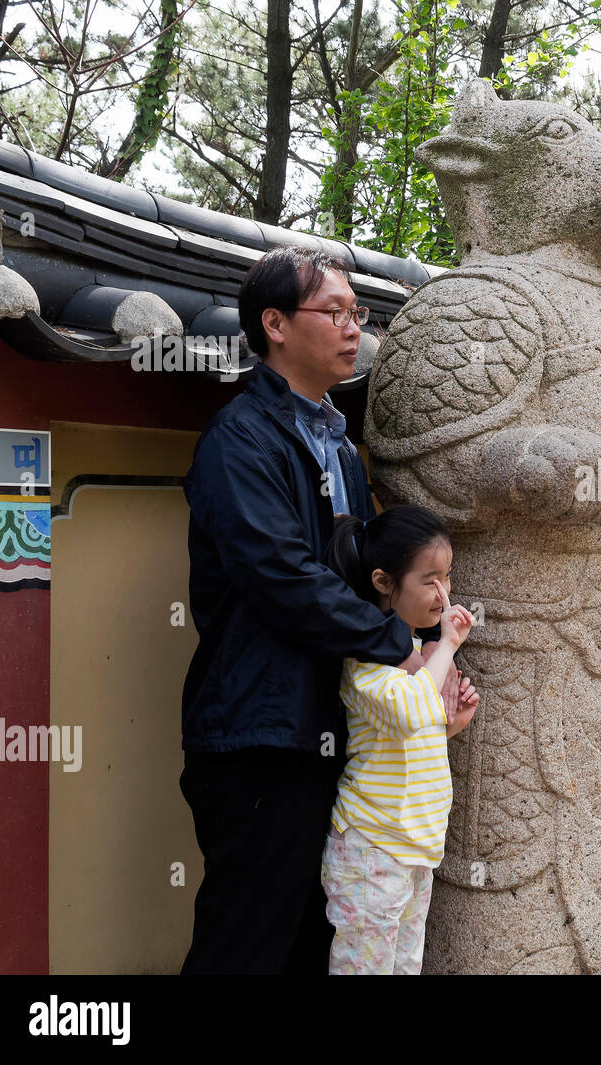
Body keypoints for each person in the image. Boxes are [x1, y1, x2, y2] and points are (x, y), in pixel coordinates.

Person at [180, 246, 428, 974]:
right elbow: (280, 576)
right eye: (336, 311)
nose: (356, 328)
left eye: (360, 312)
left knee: (313, 939)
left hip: (326, 726)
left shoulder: (342, 448)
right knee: (247, 939)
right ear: (276, 324)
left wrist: (430, 638)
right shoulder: (239, 440)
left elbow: (359, 574)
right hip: (260, 732)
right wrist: (394, 642)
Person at [321, 506, 479, 975]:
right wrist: (447, 646)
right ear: (384, 582)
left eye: (446, 577)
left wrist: (453, 724)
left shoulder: (412, 653)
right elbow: (410, 711)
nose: (443, 593)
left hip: (413, 846)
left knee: (406, 965)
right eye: (429, 579)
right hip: (373, 846)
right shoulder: (368, 658)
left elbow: (412, 735)